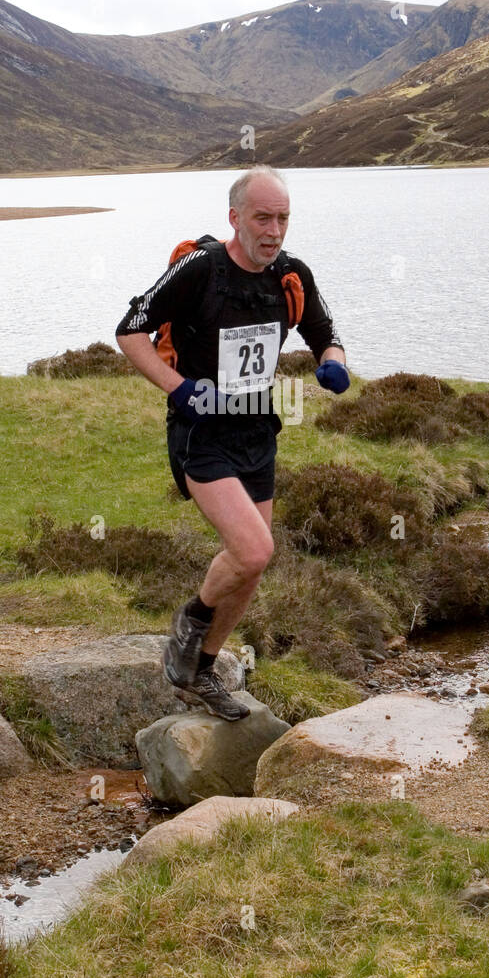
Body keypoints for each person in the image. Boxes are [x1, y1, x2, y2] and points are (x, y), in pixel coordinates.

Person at [115, 165, 349, 719]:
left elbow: (325, 333)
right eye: (262, 217)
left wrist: (333, 364)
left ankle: (201, 668)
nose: (273, 230)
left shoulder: (292, 275)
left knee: (250, 565)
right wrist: (180, 390)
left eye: (283, 218)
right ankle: (188, 626)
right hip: (202, 432)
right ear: (235, 217)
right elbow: (129, 329)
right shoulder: (201, 268)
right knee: (254, 549)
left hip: (255, 430)